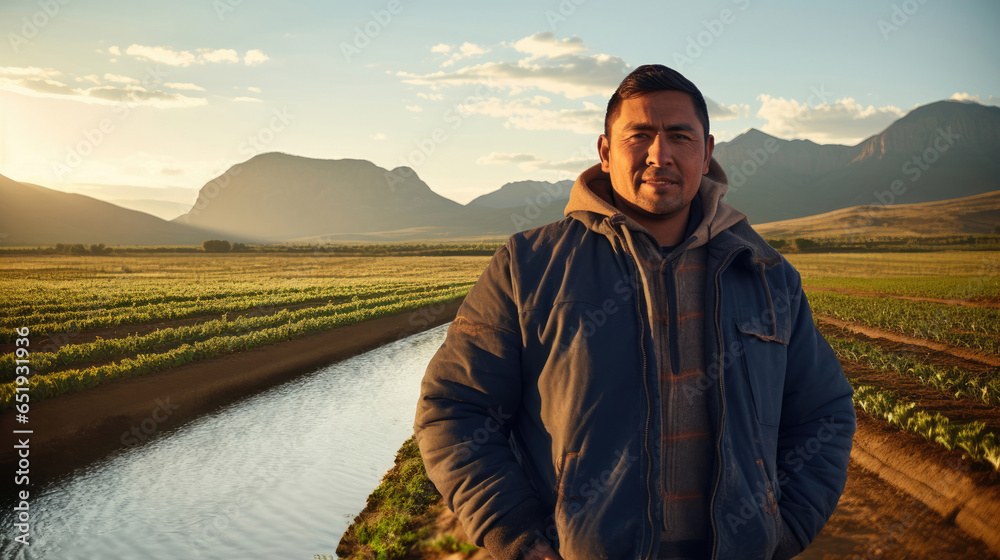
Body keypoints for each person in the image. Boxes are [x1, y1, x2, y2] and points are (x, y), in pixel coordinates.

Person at [413, 64, 856, 560]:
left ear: (706, 152)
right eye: (639, 135)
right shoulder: (528, 267)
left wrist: (786, 527)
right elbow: (453, 407)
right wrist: (515, 532)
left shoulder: (766, 274)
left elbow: (824, 413)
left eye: (680, 136)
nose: (659, 154)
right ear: (605, 153)